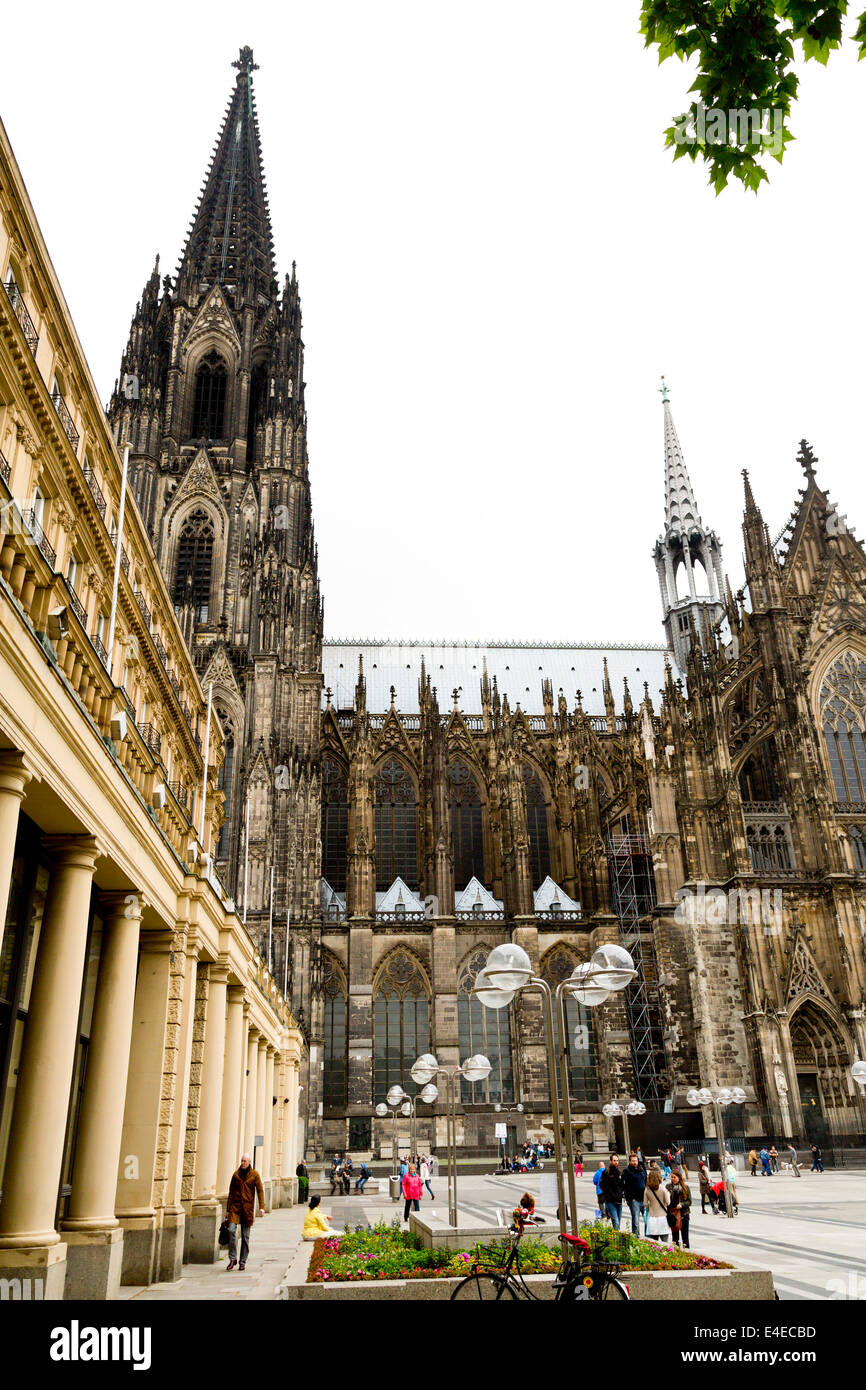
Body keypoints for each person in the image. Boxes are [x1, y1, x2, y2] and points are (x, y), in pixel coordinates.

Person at [225, 1153, 265, 1272]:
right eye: (242, 1161)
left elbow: (260, 1191)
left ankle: (242, 1261)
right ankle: (233, 1258)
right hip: (235, 1208)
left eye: (245, 1161)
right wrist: (228, 1210)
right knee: (231, 1230)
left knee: (245, 1237)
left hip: (247, 1209)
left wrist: (261, 1207)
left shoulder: (254, 1174)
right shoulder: (236, 1175)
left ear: (249, 1162)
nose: (243, 1163)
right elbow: (231, 1192)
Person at [623, 1152, 646, 1235]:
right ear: (630, 1161)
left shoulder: (641, 1169)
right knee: (636, 1221)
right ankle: (636, 1237)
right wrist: (629, 1198)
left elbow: (645, 1180)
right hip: (634, 1200)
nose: (635, 1162)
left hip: (644, 1199)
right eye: (633, 1161)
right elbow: (624, 1186)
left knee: (647, 1220)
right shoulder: (626, 1171)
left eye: (636, 1161)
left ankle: (648, 1237)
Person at [599, 1154, 624, 1230]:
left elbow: (622, 1185)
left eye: (617, 1160)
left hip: (619, 1201)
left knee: (618, 1221)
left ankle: (616, 1235)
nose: (616, 1162)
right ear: (610, 1161)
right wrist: (608, 1194)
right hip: (610, 1201)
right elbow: (601, 1185)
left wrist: (621, 1194)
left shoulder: (619, 1172)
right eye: (614, 1160)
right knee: (616, 1221)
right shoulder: (606, 1172)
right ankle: (616, 1235)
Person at [667, 1170, 691, 1248]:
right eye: (672, 1177)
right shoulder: (668, 1187)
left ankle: (686, 1252)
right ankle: (676, 1251)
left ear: (679, 1177)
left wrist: (682, 1204)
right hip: (673, 1214)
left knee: (685, 1238)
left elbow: (689, 1201)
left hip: (684, 1214)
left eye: (675, 1177)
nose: (673, 1179)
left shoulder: (685, 1187)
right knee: (675, 1238)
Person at [645, 1169, 670, 1239]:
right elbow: (668, 1202)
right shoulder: (663, 1188)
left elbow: (645, 1204)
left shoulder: (647, 1190)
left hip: (652, 1217)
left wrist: (651, 1206)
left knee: (654, 1242)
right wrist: (668, 1194)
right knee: (664, 1241)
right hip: (663, 1217)